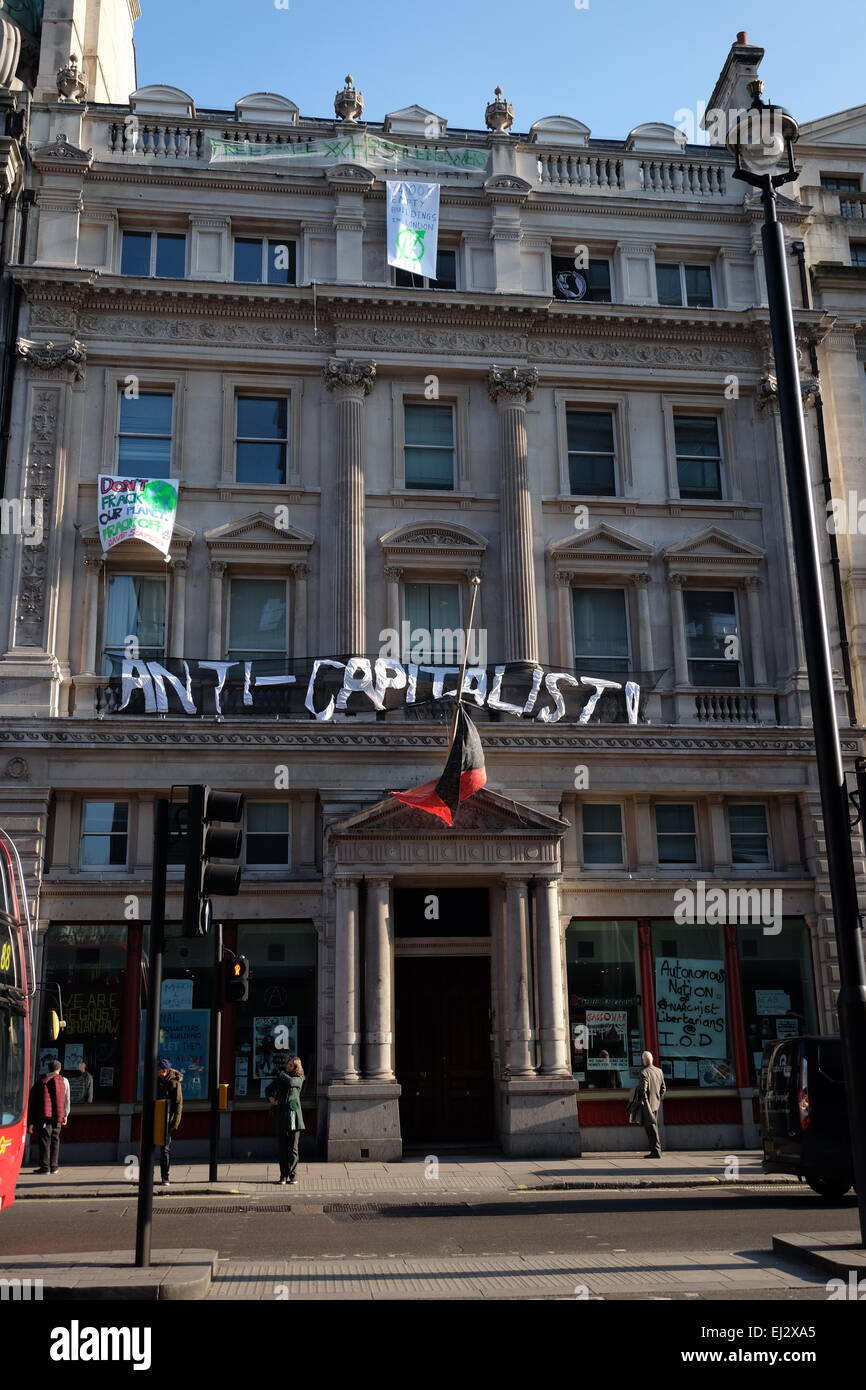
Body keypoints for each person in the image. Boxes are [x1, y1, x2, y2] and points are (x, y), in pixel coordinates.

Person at [265, 1056, 305, 1185]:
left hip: (293, 1116)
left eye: (290, 1065)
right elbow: (269, 1089)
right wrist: (271, 1099)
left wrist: (281, 1074)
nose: (287, 1067)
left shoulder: (299, 1078)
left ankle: (293, 1176)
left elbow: (291, 1083)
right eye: (287, 1064)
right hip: (281, 1114)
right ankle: (283, 1176)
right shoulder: (282, 1078)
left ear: (296, 1068)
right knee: (282, 1147)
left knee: (293, 1148)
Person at [27, 1059, 68, 1174]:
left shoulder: (41, 1081)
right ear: (59, 1069)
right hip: (58, 1116)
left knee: (45, 1140)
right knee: (55, 1140)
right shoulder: (64, 1081)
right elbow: (66, 1100)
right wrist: (65, 1115)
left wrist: (32, 1118)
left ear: (48, 1068)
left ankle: (45, 1167)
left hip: (45, 1116)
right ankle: (54, 1167)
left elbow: (34, 1100)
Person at [627, 1049, 666, 1158]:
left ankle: (656, 1151)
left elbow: (643, 1090)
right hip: (656, 1104)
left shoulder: (644, 1072)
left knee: (651, 1128)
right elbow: (663, 1089)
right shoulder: (659, 1071)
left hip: (647, 1105)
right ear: (652, 1059)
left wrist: (644, 1103)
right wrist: (658, 1099)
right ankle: (654, 1150)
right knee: (652, 1127)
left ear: (644, 1060)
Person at [156, 1058, 183, 1185]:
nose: (159, 1072)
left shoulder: (174, 1083)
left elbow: (178, 1104)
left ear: (166, 1071)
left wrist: (175, 1122)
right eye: (158, 1070)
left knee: (165, 1149)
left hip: (167, 1119)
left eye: (161, 1070)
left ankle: (165, 1176)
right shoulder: (155, 1081)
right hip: (155, 1117)